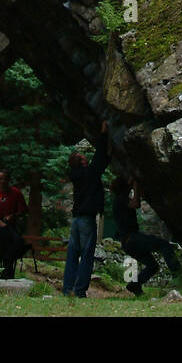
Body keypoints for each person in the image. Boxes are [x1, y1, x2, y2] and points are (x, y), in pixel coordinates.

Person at [62, 121, 109, 297]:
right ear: (82, 163)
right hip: (87, 219)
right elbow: (100, 158)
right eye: (83, 157)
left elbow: (100, 162)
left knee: (72, 256)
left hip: (75, 220)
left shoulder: (76, 176)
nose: (86, 158)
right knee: (87, 257)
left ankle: (68, 289)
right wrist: (104, 134)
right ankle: (80, 291)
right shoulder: (88, 173)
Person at [111, 175, 180, 296]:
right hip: (133, 239)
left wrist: (132, 181)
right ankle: (179, 274)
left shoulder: (118, 200)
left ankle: (134, 285)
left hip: (127, 242)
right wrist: (136, 187)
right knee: (164, 245)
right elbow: (136, 204)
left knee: (152, 266)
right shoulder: (121, 199)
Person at [0, 170, 28, 279]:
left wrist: (12, 216)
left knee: (16, 245)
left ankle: (8, 274)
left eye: (5, 178)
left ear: (9, 180)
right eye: (0, 179)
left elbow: (23, 210)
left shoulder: (16, 193)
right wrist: (0, 223)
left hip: (10, 226)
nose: (2, 181)